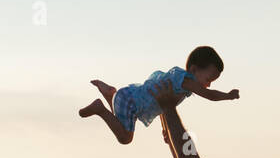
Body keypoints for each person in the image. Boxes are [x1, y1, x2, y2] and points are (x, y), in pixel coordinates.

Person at [78, 45, 238, 145]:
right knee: (125, 138)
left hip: (128, 97)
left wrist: (165, 128)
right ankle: (100, 108)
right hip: (131, 102)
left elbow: (163, 106)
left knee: (119, 125)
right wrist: (228, 96)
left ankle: (110, 94)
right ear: (194, 70)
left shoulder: (179, 84)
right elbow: (209, 95)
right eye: (208, 79)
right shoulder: (186, 80)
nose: (207, 85)